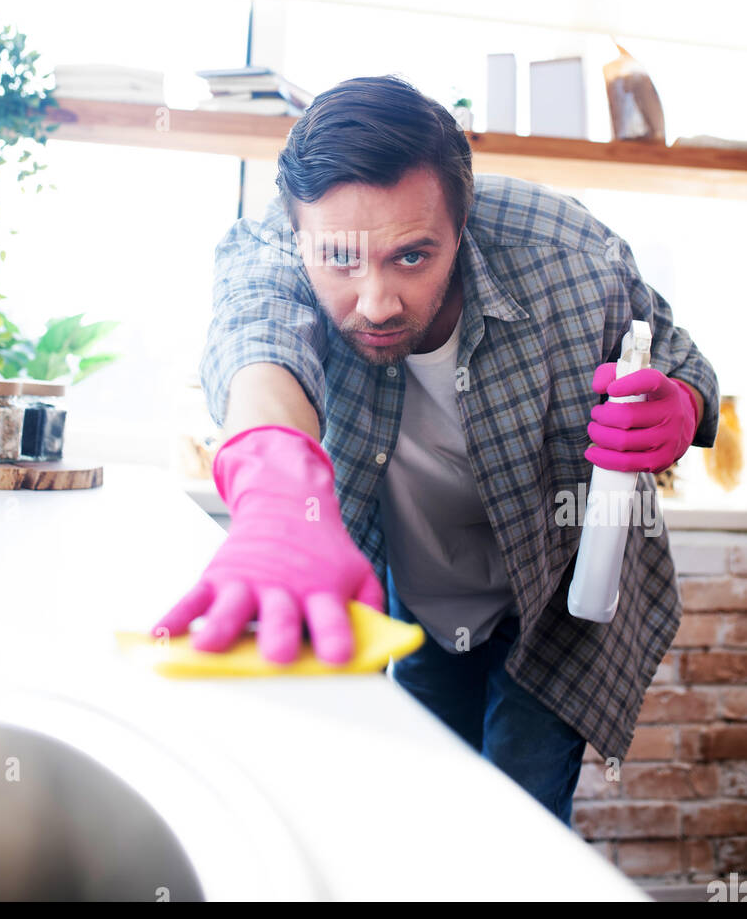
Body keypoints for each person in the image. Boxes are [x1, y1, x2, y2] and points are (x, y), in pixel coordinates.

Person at [153, 75, 719, 825]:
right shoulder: (277, 247)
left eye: (412, 257)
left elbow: (677, 356)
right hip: (419, 595)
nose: (377, 301)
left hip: (557, 599)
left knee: (516, 835)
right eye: (342, 262)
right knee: (428, 821)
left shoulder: (567, 250)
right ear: (301, 238)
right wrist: (276, 484)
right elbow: (256, 334)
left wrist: (680, 406)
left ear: (463, 222)